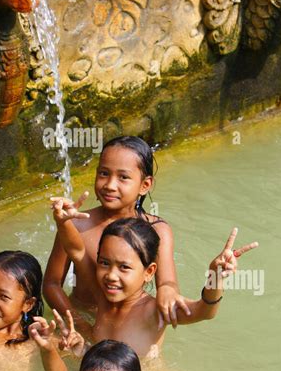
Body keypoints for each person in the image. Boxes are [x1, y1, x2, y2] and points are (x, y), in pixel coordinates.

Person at [49, 203, 258, 358]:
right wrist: (63, 221)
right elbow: (76, 249)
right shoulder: (102, 295)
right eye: (104, 263)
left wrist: (216, 276)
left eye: (124, 267)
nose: (111, 275)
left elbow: (204, 311)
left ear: (149, 272)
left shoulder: (154, 310)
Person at [42, 136, 190, 330]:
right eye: (104, 173)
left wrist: (168, 291)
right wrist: (81, 325)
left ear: (145, 185)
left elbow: (167, 283)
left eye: (123, 177)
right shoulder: (75, 224)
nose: (110, 185)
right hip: (82, 317)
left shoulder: (158, 230)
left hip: (129, 324)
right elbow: (51, 285)